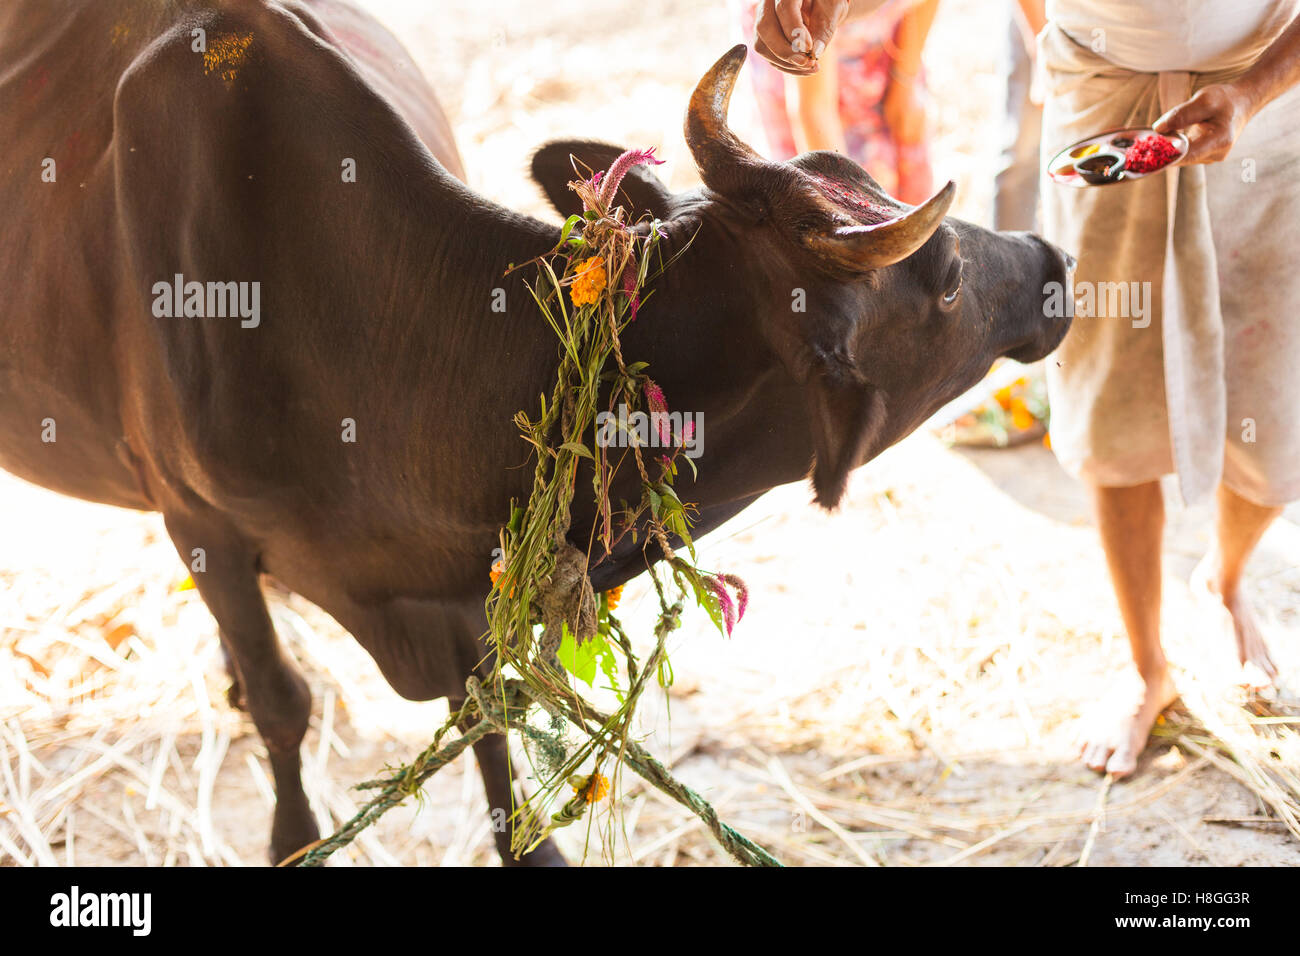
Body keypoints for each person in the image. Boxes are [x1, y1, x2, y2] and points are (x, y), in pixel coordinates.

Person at [754, 0, 1300, 778]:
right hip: (1101, 88)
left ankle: (1227, 578)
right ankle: (1147, 667)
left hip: (1274, 91)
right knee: (1108, 377)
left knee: (1273, 389)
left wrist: (1250, 93)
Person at [738, 0, 937, 204]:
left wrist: (903, 80)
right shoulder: (809, 16)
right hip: (815, 82)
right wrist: (849, 211)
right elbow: (815, 110)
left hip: (888, 48)